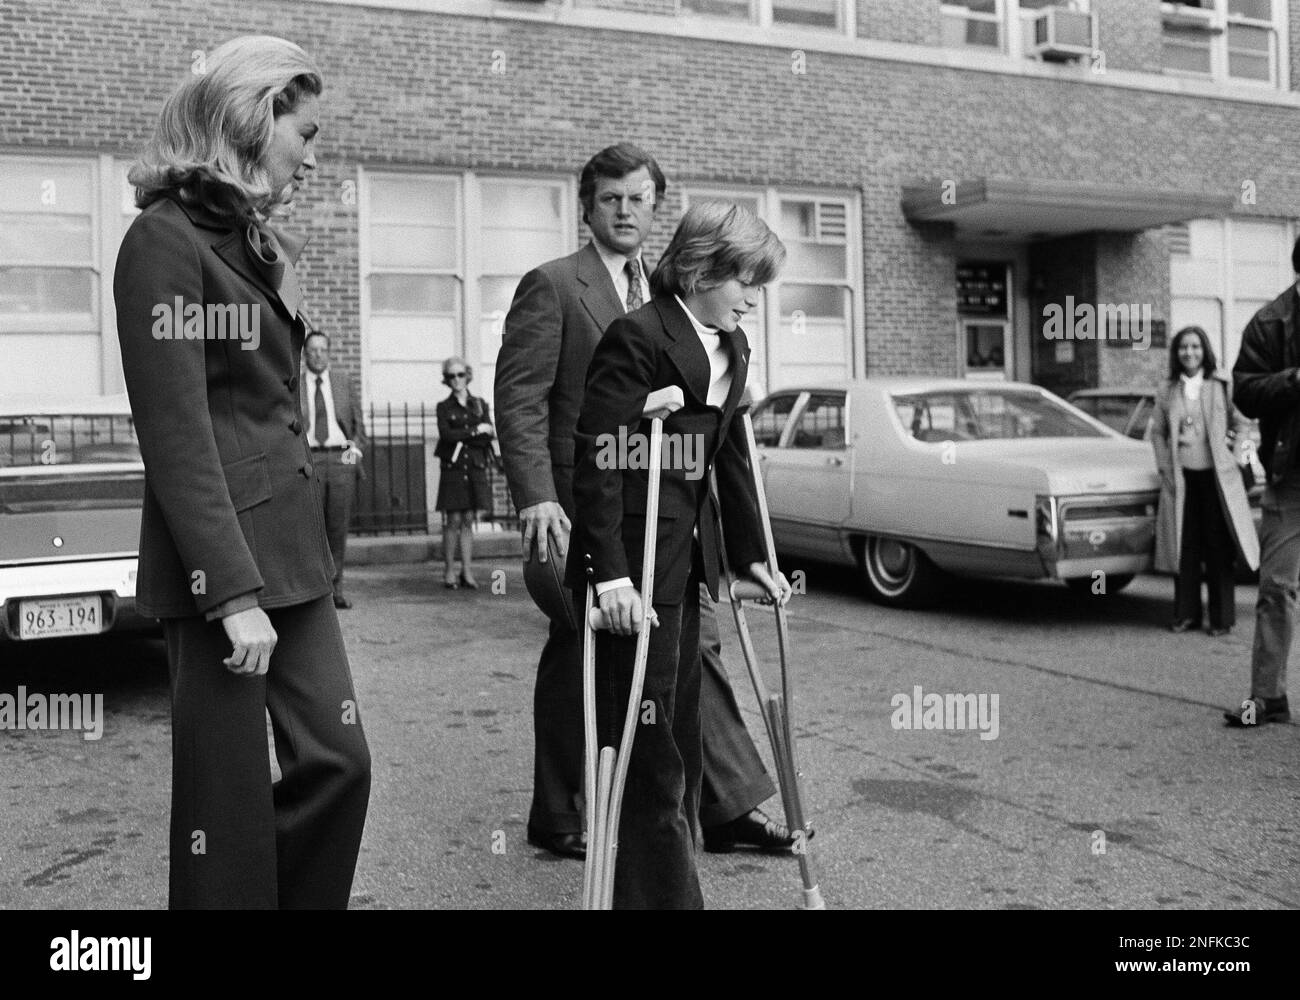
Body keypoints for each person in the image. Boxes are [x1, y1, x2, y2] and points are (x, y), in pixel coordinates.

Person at [113, 36, 371, 908]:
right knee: (223, 807)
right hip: (219, 566)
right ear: (251, 124)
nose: (313, 153)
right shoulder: (162, 242)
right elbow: (178, 435)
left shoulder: (260, 241)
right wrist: (228, 593)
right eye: (304, 133)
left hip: (293, 553)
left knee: (340, 762)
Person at [495, 143, 797, 861]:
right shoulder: (555, 285)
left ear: (655, 206)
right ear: (588, 207)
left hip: (670, 520)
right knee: (588, 643)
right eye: (610, 199)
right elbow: (522, 398)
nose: (625, 211)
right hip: (583, 510)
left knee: (695, 650)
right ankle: (566, 809)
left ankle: (719, 806)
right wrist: (537, 497)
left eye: (638, 198)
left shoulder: (686, 299)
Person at [567, 200, 792, 908]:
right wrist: (610, 578)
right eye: (744, 283)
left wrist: (753, 556)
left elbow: (729, 454)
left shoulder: (733, 344)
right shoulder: (638, 337)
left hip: (683, 567)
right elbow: (597, 460)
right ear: (698, 271)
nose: (753, 300)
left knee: (680, 744)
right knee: (646, 755)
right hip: (631, 572)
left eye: (760, 285)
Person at [1227, 245, 1300, 727]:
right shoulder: (1271, 321)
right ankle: (1267, 697)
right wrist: (1295, 379)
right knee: (1275, 587)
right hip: (1290, 475)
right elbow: (1246, 392)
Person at [1151, 325, 1259, 637]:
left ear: (1205, 350)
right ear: (1176, 353)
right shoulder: (1167, 389)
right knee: (1185, 547)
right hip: (1182, 482)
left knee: (1218, 548)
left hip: (1217, 481)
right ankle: (1186, 615)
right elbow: (1157, 431)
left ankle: (1222, 619)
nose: (1190, 353)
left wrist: (1238, 456)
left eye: (1195, 347)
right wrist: (1164, 469)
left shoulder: (1221, 384)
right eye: (1183, 347)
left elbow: (1243, 424)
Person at [301, 329, 366, 609]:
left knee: (337, 528)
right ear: (304, 354)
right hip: (309, 460)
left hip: (342, 460)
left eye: (322, 349)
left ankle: (335, 591)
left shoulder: (342, 381)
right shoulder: (296, 384)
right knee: (308, 528)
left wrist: (356, 452)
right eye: (312, 350)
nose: (318, 355)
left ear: (329, 352)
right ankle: (311, 594)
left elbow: (358, 424)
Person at [435, 356, 495, 590]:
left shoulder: (479, 404)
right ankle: (449, 570)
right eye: (451, 376)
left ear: (467, 375)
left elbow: (488, 435)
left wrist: (474, 432)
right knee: (453, 520)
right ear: (447, 380)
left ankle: (467, 571)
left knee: (469, 519)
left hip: (474, 466)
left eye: (460, 375)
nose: (456, 380)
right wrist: (474, 430)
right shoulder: (444, 407)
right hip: (454, 467)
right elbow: (446, 435)